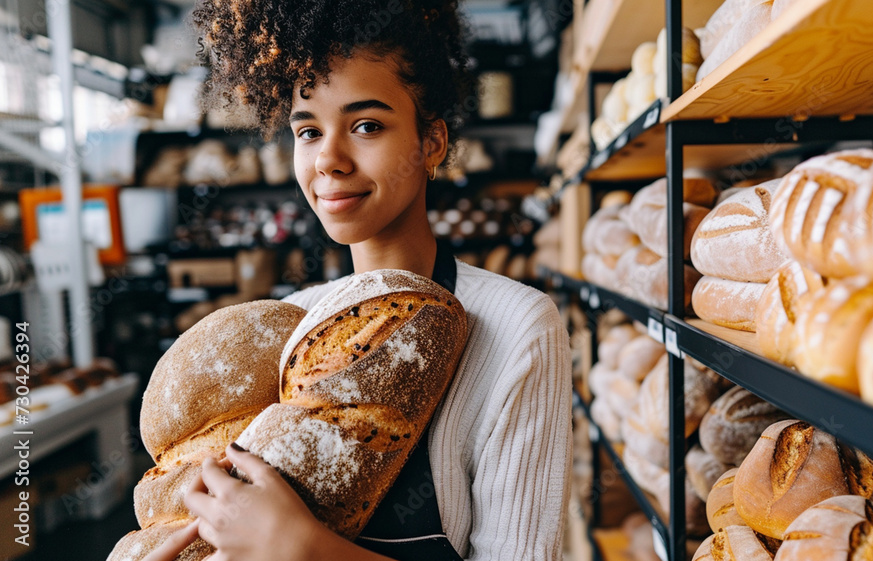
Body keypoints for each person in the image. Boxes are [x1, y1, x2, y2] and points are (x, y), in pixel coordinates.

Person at [143, 1, 572, 560]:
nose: (329, 159)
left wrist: (303, 547)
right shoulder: (288, 328)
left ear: (432, 144)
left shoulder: (519, 328)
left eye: (366, 125)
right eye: (308, 131)